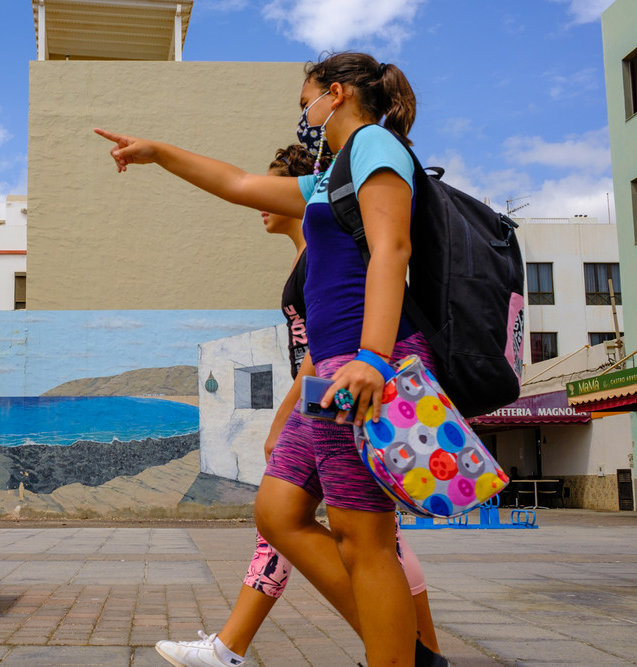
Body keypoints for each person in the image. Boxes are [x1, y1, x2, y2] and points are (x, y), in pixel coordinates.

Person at [96, 52, 447, 666]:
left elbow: (393, 248)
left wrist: (372, 356)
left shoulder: (374, 146)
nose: (302, 115)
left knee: (364, 539)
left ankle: (398, 657)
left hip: (362, 364)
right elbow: (236, 183)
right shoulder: (331, 173)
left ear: (333, 94)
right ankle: (406, 653)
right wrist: (160, 152)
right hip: (332, 370)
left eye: (305, 100)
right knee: (279, 511)